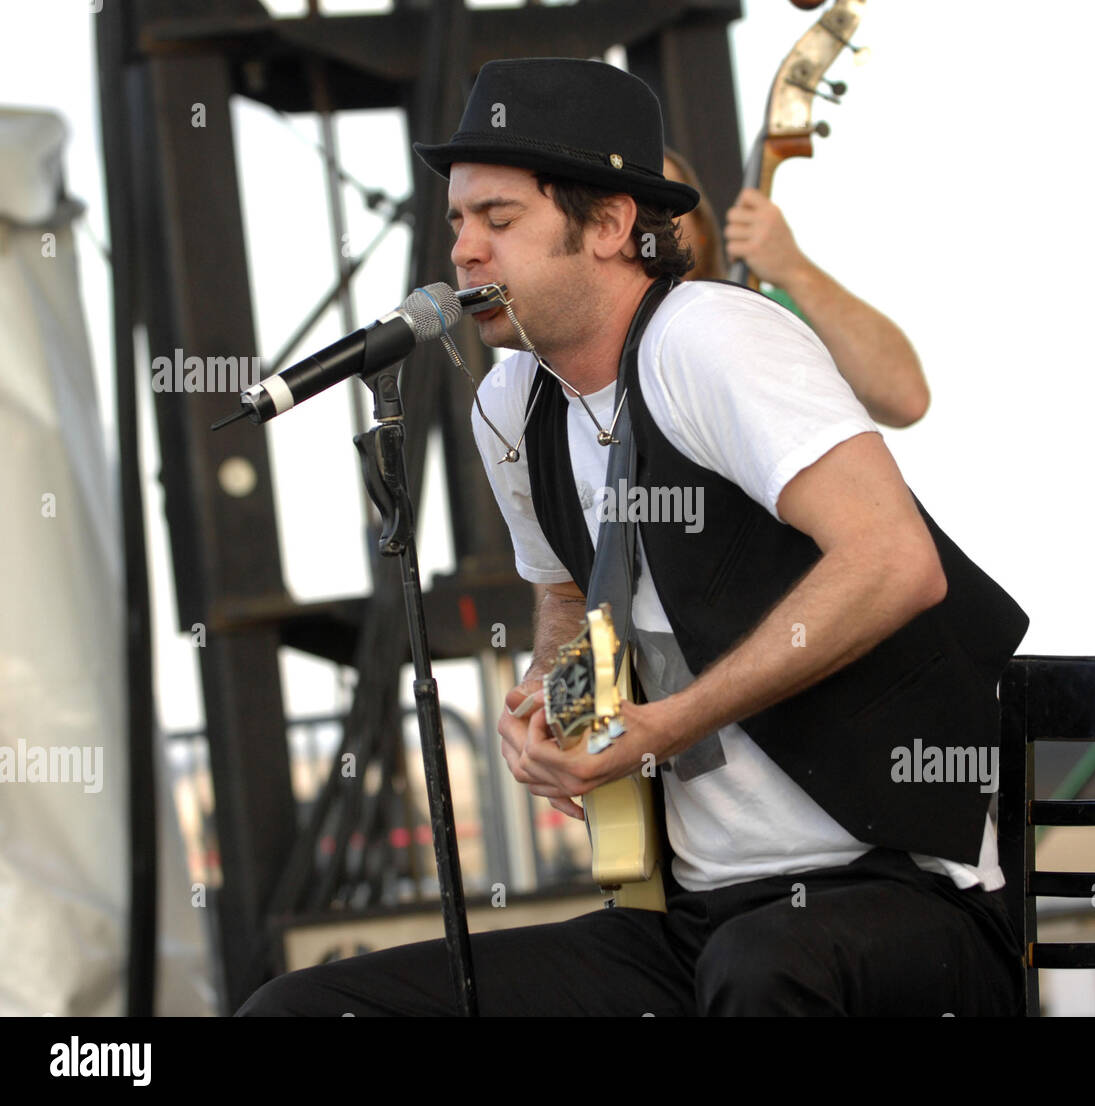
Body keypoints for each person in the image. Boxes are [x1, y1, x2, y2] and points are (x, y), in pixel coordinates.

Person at [238, 58, 1028, 1017]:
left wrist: (662, 728)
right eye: (457, 222)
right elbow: (569, 597)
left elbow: (893, 563)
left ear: (611, 226)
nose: (466, 253)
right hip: (691, 917)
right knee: (303, 1011)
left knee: (763, 970)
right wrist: (555, 706)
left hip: (902, 895)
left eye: (500, 219)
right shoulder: (511, 405)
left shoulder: (711, 339)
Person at [662, 148, 930, 429]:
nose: (648, 225)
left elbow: (905, 397)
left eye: (666, 204)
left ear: (702, 231)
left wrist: (794, 269)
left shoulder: (770, 312)